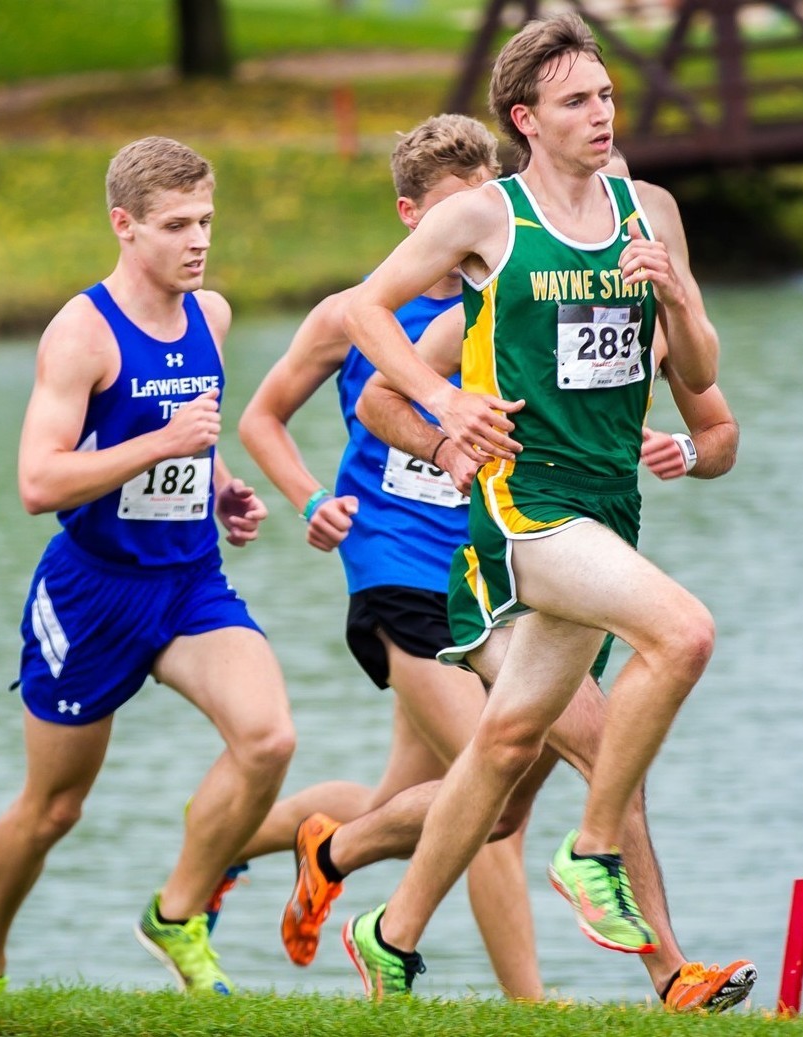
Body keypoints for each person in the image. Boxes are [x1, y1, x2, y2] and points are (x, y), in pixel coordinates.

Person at [337, 11, 735, 997]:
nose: (599, 113)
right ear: (526, 117)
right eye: (574, 101)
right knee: (680, 635)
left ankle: (386, 931)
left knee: (509, 738)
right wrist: (442, 403)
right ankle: (591, 849)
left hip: (606, 509)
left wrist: (676, 298)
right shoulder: (486, 216)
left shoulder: (650, 212)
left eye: (603, 95)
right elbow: (361, 309)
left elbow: (700, 368)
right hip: (523, 512)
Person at [0, 136, 296, 996]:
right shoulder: (81, 332)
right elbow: (38, 481)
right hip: (94, 595)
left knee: (267, 738)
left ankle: (177, 912)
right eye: (177, 224)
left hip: (187, 581)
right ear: (125, 226)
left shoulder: (208, 315)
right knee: (52, 811)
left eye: (205, 221)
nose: (197, 240)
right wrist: (166, 445)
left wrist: (217, 484)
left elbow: (188, 439)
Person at [222, 114, 544, 1001]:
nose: (468, 223)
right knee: (490, 789)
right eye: (448, 208)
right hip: (394, 562)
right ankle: (530, 1008)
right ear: (409, 214)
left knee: (406, 794)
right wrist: (309, 500)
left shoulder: (509, 291)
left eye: (484, 200)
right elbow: (260, 416)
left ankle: (236, 849)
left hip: (484, 570)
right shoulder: (355, 310)